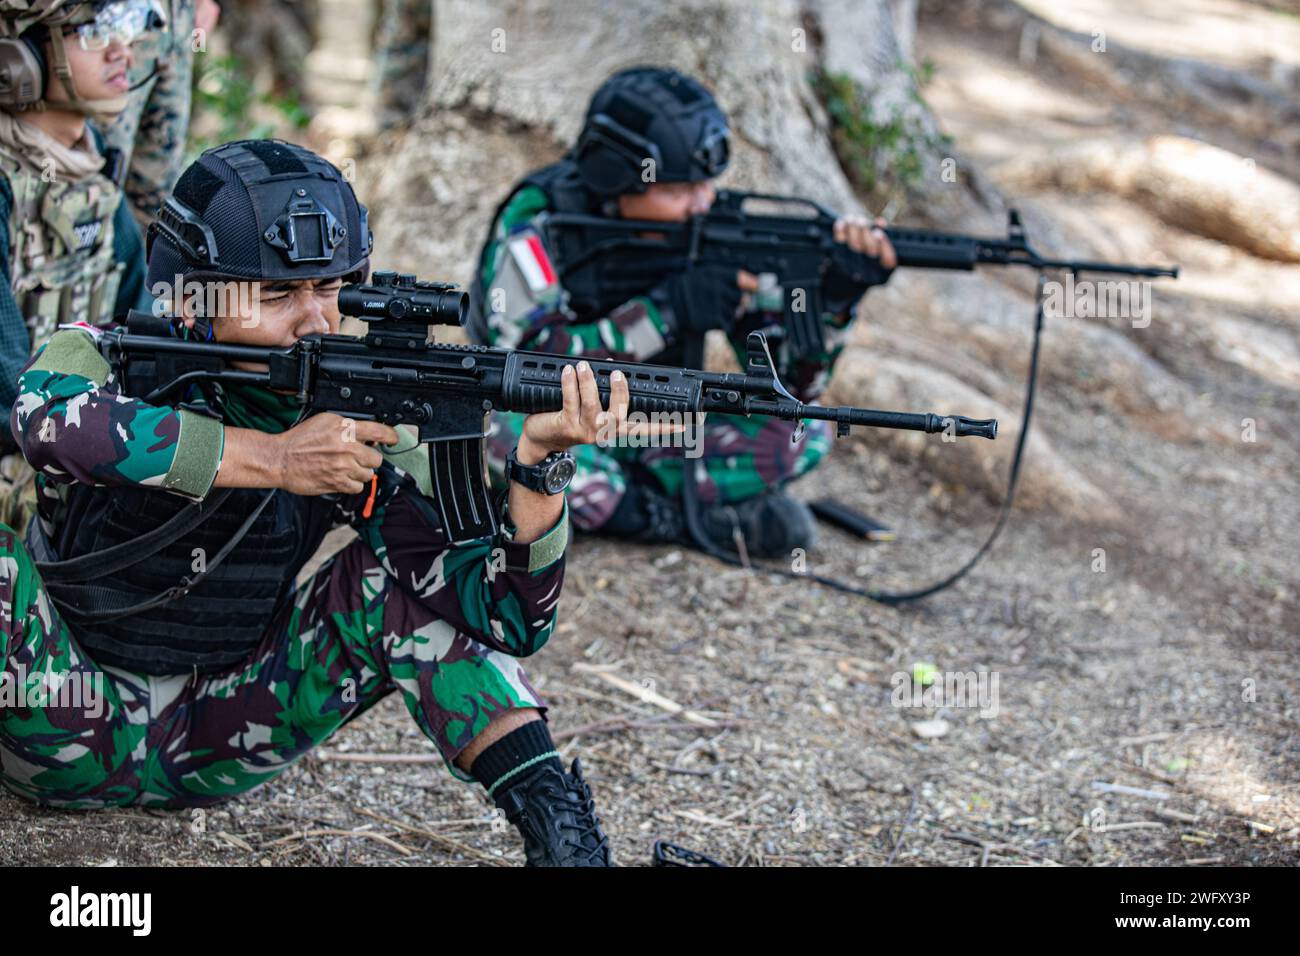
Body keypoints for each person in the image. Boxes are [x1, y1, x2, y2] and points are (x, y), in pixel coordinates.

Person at [1, 138, 624, 866]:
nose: (317, 321)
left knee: (383, 585)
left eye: (330, 289)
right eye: (277, 296)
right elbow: (45, 421)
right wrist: (274, 459)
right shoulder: (103, 355)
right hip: (58, 720)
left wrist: (537, 471)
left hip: (222, 736)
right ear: (191, 293)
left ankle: (563, 839)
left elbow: (507, 617)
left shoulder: (356, 421)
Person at [467, 66, 897, 559]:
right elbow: (528, 363)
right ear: (616, 178)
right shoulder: (540, 221)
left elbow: (792, 385)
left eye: (706, 184)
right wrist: (666, 311)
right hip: (553, 426)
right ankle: (663, 519)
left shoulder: (713, 230)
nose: (703, 203)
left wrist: (835, 303)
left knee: (804, 429)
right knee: (497, 428)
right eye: (678, 190)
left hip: (646, 427)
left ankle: (597, 495)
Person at [0, 0, 153, 536]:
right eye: (94, 31)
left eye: (129, 27)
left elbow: (148, 334)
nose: (123, 49)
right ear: (22, 56)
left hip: (69, 460)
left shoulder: (95, 180)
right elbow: (8, 393)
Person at [104, 0, 222, 229]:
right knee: (101, 174)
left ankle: (143, 262)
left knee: (158, 191)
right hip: (116, 24)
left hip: (176, 20)